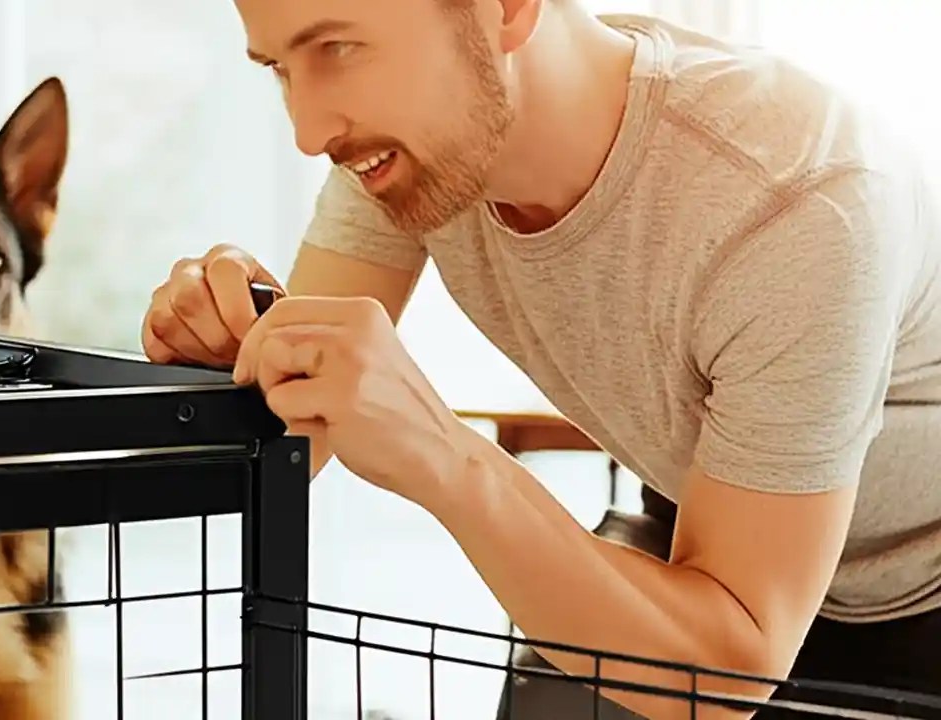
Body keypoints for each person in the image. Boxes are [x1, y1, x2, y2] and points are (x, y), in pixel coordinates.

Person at [140, 0, 941, 717]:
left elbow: (723, 676)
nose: (309, 131)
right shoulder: (409, 148)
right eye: (280, 68)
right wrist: (228, 359)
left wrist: (443, 453)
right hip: (712, 542)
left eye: (339, 48)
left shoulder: (797, 202)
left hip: (916, 598)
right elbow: (293, 434)